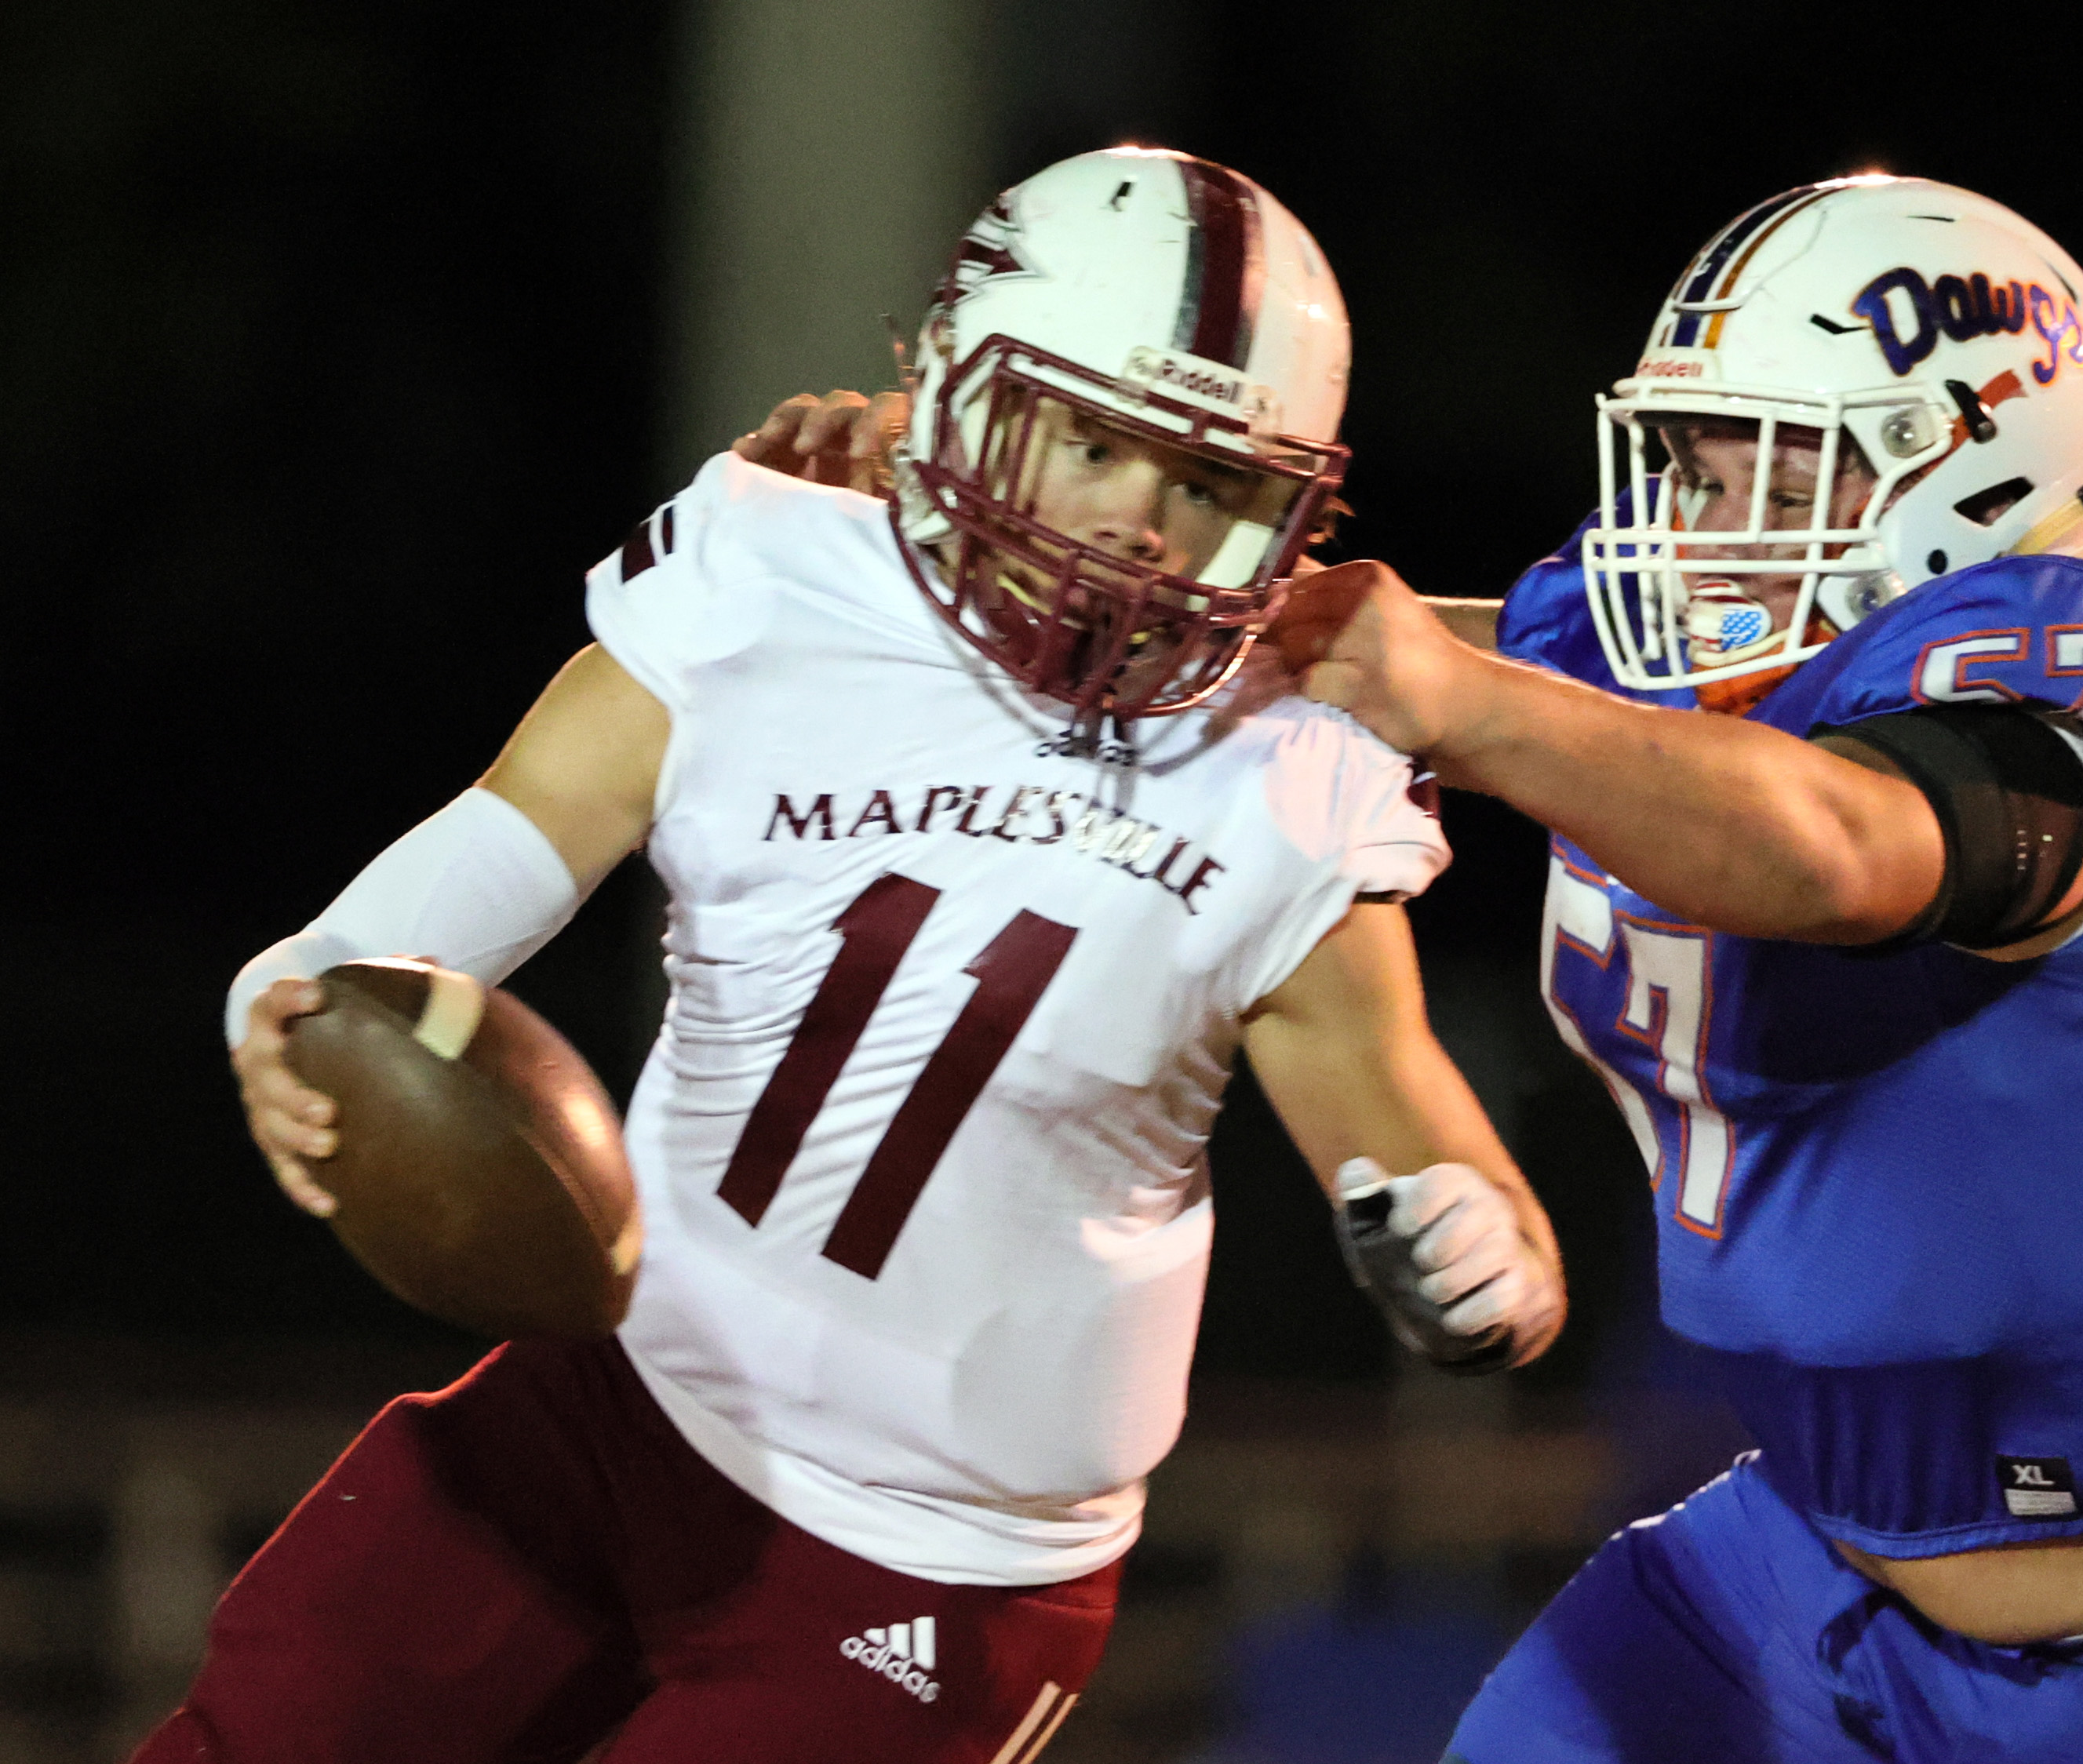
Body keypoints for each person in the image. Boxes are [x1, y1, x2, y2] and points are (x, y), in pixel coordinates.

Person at [151, 147, 1564, 1764]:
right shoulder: (772, 579)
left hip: (932, 1563)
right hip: (616, 1406)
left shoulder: (1293, 764)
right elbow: (494, 843)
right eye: (1091, 440)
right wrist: (303, 999)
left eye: (1206, 481)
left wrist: (1479, 1255)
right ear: (954, 395)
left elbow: (1409, 1129)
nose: (1141, 524)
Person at [1265, 176, 2083, 1760]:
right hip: (1816, 1573)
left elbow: (1838, 855)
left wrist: (1460, 706)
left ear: (1961, 465)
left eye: (1761, 469)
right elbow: (1404, 665)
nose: (1693, 524)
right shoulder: (1668, 651)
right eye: (1686, 461)